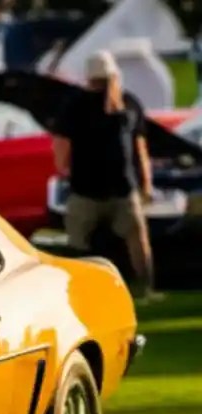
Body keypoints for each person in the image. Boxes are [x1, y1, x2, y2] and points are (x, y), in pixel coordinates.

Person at [52, 51, 157, 299]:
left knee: (78, 244)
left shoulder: (74, 104)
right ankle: (145, 288)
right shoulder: (128, 103)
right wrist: (147, 183)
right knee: (137, 242)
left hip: (85, 189)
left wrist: (62, 168)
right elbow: (141, 149)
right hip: (123, 188)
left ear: (88, 77)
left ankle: (82, 291)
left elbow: (61, 145)